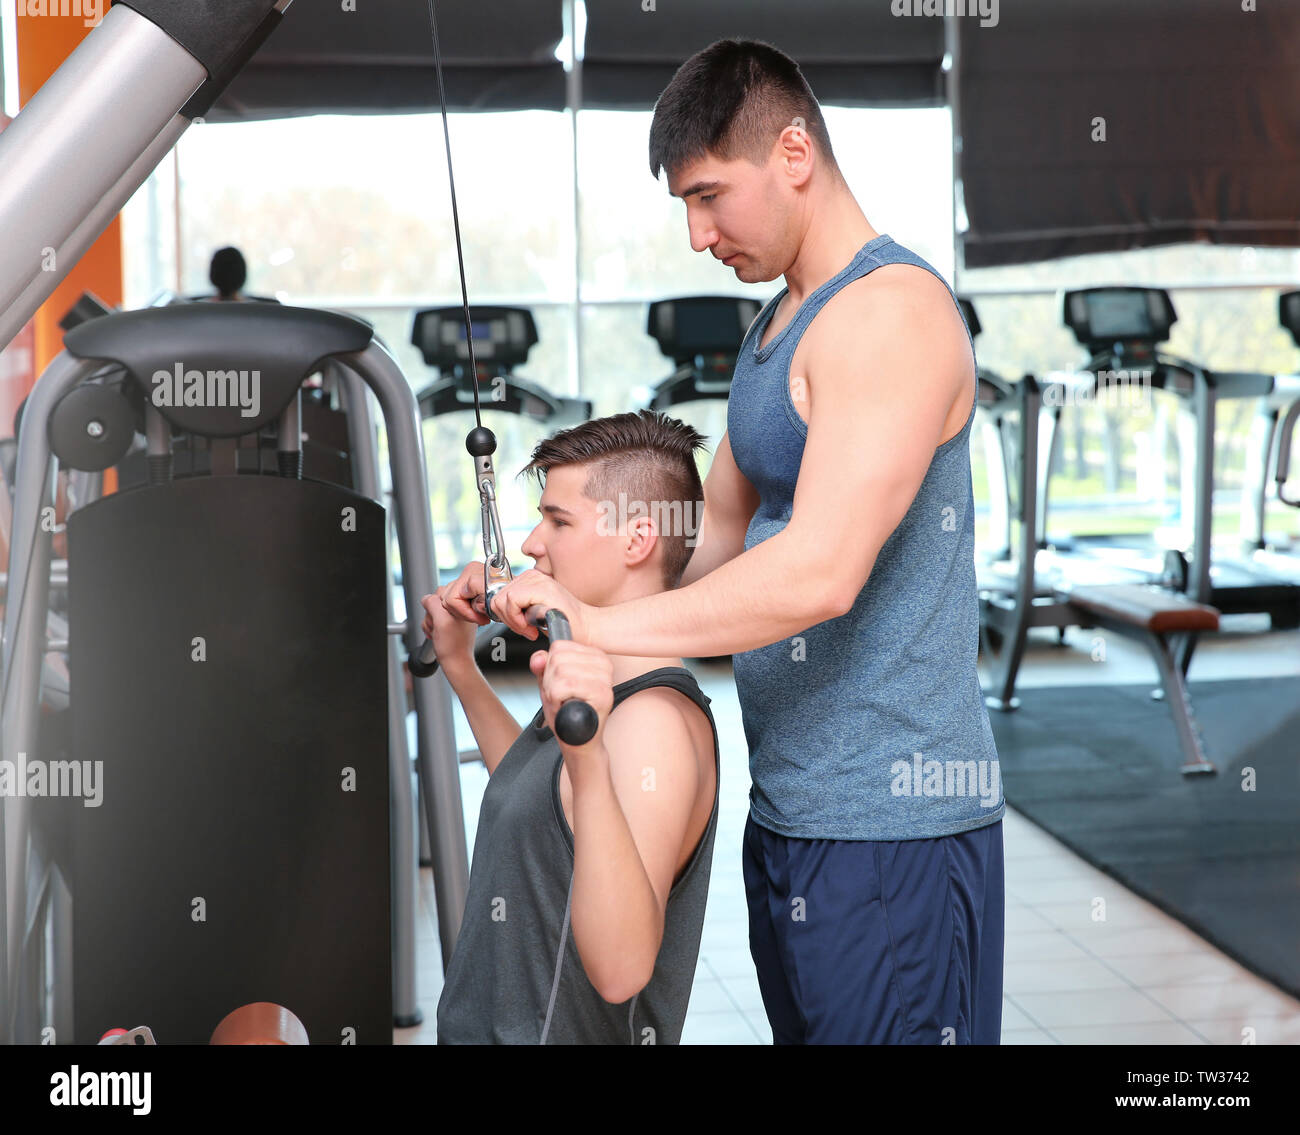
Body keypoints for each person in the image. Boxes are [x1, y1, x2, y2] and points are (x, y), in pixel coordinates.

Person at [469, 39, 1005, 1045]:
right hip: (795, 806)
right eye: (683, 204)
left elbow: (821, 572)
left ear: (793, 153)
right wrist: (541, 579)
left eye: (710, 196)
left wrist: (599, 622)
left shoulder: (888, 315)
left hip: (892, 822)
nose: (696, 232)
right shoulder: (774, 333)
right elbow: (700, 542)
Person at [429, 410, 721, 1045]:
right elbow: (541, 803)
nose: (533, 543)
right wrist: (461, 666)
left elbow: (621, 971)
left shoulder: (653, 725)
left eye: (558, 521)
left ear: (637, 539)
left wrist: (586, 754)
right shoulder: (598, 680)